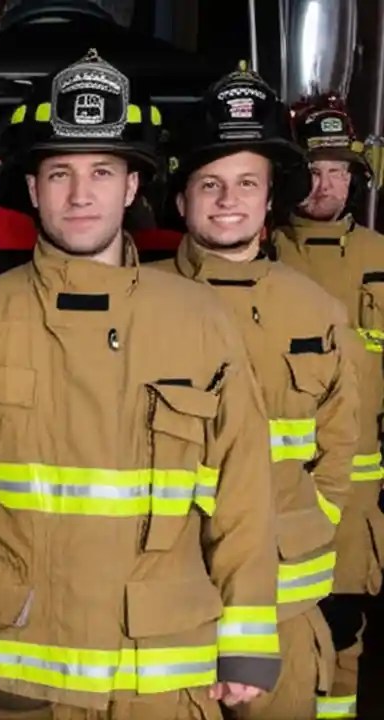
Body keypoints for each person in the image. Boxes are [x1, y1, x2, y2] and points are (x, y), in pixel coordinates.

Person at [0, 49, 281, 719]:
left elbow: (244, 491)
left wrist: (247, 642)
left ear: (131, 188)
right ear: (32, 189)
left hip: (160, 678)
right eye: (59, 173)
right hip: (14, 675)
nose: (80, 194)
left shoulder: (198, 321)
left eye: (102, 172)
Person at [151, 65, 357, 720]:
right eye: (209, 184)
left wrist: (308, 526)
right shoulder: (141, 303)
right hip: (168, 606)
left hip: (284, 606)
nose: (227, 200)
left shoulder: (314, 309)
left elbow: (339, 443)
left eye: (247, 183)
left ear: (271, 199)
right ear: (180, 200)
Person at [271, 97, 384, 720]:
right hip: (282, 484)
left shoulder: (380, 257)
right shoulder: (264, 258)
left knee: (343, 627)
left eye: (339, 171)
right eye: (314, 170)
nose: (326, 185)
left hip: (359, 489)